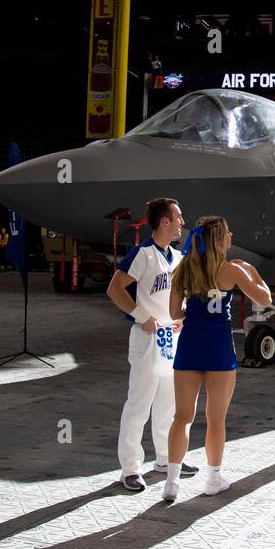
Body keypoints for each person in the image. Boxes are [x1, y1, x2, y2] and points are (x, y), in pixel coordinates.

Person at [162, 216, 272, 503]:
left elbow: (175, 313)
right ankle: (213, 478)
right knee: (216, 419)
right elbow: (265, 298)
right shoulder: (231, 270)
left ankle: (171, 483)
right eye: (228, 232)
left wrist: (194, 317)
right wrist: (253, 272)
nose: (232, 235)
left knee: (181, 417)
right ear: (219, 240)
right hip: (219, 349)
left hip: (189, 347)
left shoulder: (183, 269)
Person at [105, 198, 197, 492]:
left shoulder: (179, 257)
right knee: (140, 403)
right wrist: (141, 316)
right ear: (165, 221)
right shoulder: (143, 254)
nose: (183, 221)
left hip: (171, 336)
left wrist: (182, 316)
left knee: (169, 403)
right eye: (178, 216)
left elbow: (179, 297)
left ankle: (166, 458)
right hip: (148, 337)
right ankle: (130, 468)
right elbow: (114, 289)